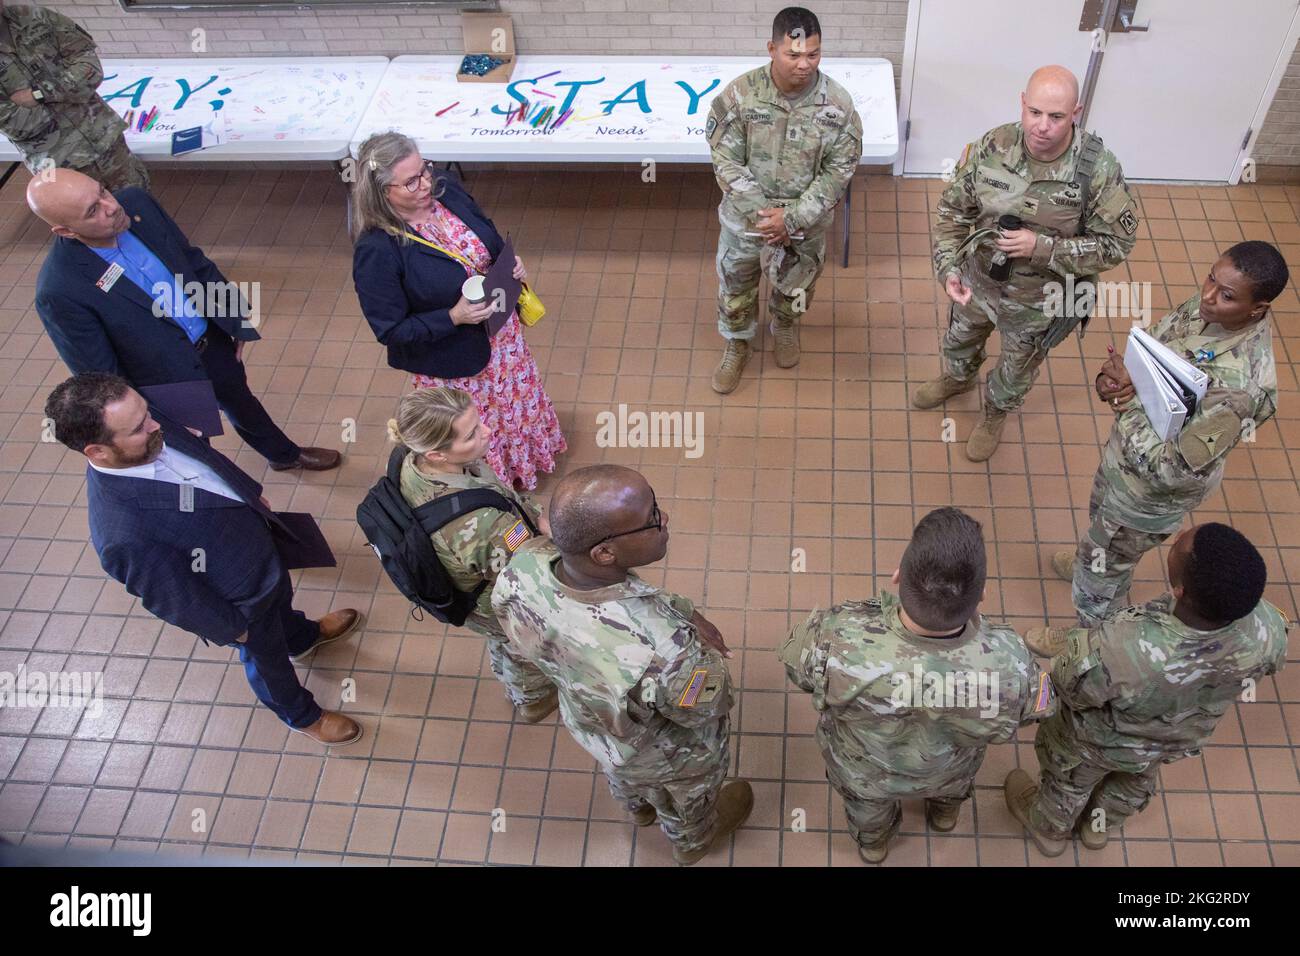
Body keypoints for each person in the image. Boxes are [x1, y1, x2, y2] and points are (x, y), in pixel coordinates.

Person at [45, 373, 363, 745]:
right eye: (137, 427)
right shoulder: (122, 534)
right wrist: (237, 630)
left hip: (258, 553)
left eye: (147, 413)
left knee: (282, 607)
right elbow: (176, 599)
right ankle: (300, 715)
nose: (156, 424)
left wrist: (250, 494)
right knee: (267, 660)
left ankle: (303, 637)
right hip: (240, 603)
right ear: (97, 451)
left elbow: (207, 461)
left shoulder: (147, 429)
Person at [491, 465, 751, 865]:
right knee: (687, 795)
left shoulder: (522, 568)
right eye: (651, 518)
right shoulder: (667, 650)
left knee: (624, 775)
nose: (664, 518)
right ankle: (692, 839)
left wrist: (679, 612)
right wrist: (685, 634)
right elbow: (707, 707)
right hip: (666, 755)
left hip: (594, 727)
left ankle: (637, 807)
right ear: (604, 553)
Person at [780, 507, 1055, 863]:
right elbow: (1035, 710)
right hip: (951, 770)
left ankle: (874, 845)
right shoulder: (1013, 662)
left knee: (868, 812)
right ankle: (943, 816)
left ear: (898, 574)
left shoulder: (835, 638)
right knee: (951, 792)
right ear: (982, 593)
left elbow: (798, 674)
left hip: (866, 774)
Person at [1043, 241, 1287, 630]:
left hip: (1148, 498)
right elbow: (1156, 350)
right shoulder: (1207, 308)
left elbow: (1171, 469)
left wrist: (1127, 402)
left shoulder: (1240, 387)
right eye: (1210, 278)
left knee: (1104, 570)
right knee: (1101, 531)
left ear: (1258, 308)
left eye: (1226, 295)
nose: (1208, 296)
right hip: (1124, 464)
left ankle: (1089, 636)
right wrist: (1121, 375)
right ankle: (1097, 556)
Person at [28, 169, 338, 472]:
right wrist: (148, 414)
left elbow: (192, 261)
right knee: (195, 448)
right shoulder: (60, 289)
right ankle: (231, 494)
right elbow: (102, 377)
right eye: (93, 210)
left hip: (210, 343)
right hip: (165, 383)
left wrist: (233, 315)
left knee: (242, 401)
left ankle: (283, 454)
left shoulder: (137, 204)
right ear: (65, 231)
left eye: (103, 191)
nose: (112, 207)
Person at [1007, 523, 1288, 857]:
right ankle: (1097, 829)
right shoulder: (1268, 629)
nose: (1182, 530)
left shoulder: (1130, 646)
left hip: (1099, 740)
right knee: (1131, 783)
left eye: (1181, 544)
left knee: (1070, 782)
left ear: (1181, 589)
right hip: (1171, 740)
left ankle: (1050, 831)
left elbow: (1072, 687)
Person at [916, 65, 1138, 461]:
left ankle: (994, 413)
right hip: (978, 281)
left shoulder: (1098, 171)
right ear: (1022, 103)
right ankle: (958, 379)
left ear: (1077, 112)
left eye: (1056, 116)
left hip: (1040, 301)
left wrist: (1043, 247)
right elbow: (953, 211)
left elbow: (1116, 246)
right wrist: (949, 267)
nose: (1043, 127)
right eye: (1034, 112)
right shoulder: (993, 146)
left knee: (1017, 368)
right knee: (959, 339)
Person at [351, 131, 565, 490]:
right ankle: (496, 486)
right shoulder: (377, 250)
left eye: (425, 170)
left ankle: (525, 461)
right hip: (457, 364)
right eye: (410, 181)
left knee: (514, 407)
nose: (425, 184)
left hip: (502, 341)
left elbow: (486, 233)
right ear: (382, 192)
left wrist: (508, 265)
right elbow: (391, 331)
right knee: (480, 426)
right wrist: (453, 317)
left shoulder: (445, 189)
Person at [707, 5, 862, 393]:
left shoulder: (837, 106)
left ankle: (785, 324)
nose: (804, 64)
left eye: (813, 54)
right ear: (771, 49)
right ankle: (738, 341)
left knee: (796, 287)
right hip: (746, 223)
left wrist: (790, 219)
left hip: (803, 228)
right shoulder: (741, 95)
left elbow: (838, 172)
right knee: (735, 288)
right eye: (793, 54)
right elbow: (724, 157)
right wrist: (765, 216)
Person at [388, 386, 558, 721]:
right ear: (438, 453)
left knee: (505, 642)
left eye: (478, 421)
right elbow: (525, 570)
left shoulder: (411, 456)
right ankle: (532, 697)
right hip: (491, 600)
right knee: (523, 646)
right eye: (471, 435)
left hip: (468, 573)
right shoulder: (481, 526)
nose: (487, 431)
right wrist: (548, 534)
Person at [0, 3, 147, 190]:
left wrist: (40, 94)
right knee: (87, 216)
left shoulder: (34, 16)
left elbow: (90, 69)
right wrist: (72, 92)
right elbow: (18, 125)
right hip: (59, 164)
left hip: (106, 140)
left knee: (142, 205)